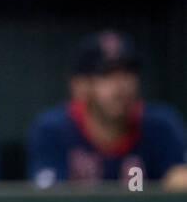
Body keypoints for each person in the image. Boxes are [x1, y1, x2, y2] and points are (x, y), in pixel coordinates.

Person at [27, 31, 187, 187]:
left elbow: (180, 181)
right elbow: (47, 200)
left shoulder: (161, 126)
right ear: (80, 86)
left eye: (128, 71)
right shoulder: (53, 129)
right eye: (107, 73)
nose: (121, 85)